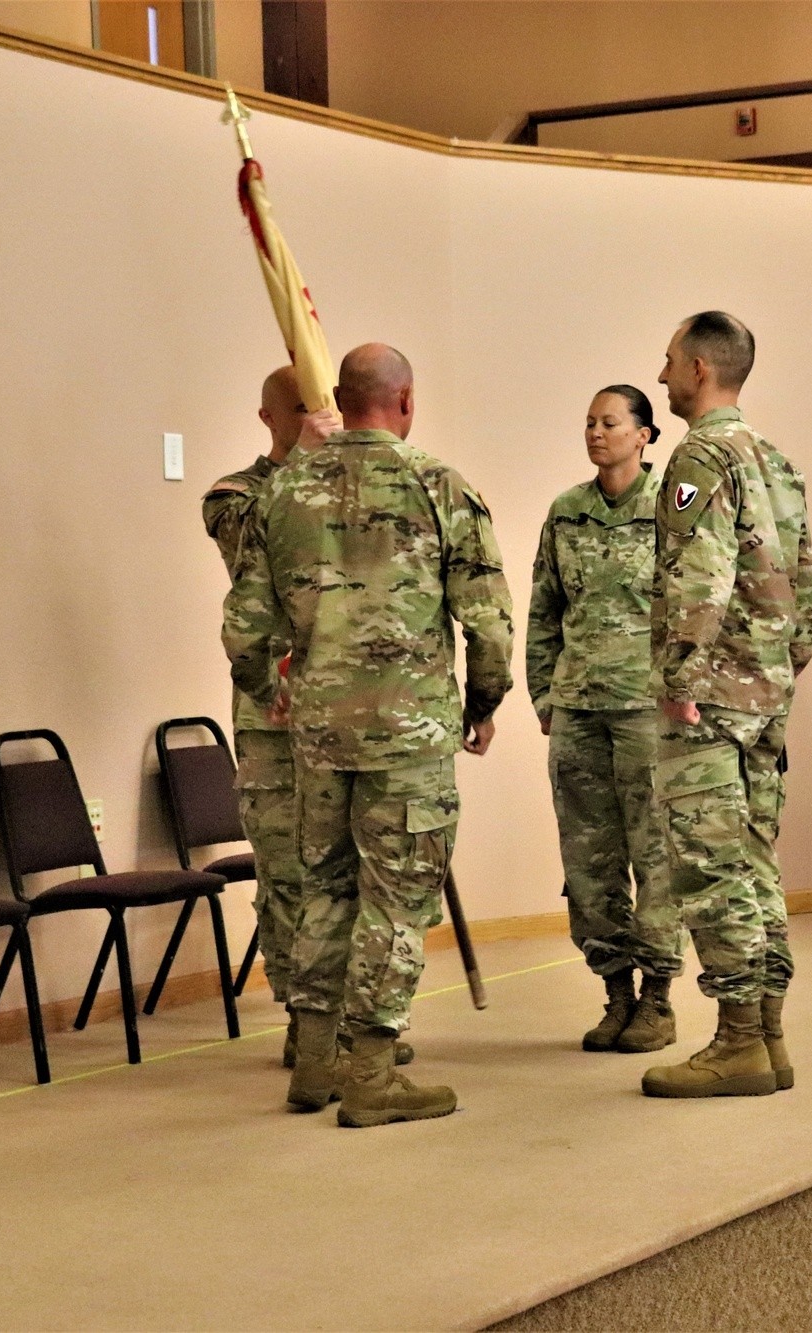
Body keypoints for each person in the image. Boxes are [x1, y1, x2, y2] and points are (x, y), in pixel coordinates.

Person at [224, 343, 512, 1128]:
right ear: (406, 401)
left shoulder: (284, 493)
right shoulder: (440, 486)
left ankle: (312, 1064)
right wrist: (482, 704)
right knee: (395, 899)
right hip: (407, 736)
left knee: (322, 889)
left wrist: (272, 693)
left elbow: (244, 626)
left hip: (316, 735)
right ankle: (373, 1072)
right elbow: (487, 620)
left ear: (340, 402)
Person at [640, 311, 812, 1100]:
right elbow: (804, 588)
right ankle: (770, 1035)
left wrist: (681, 678)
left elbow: (700, 576)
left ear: (703, 369)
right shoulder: (773, 459)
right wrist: (779, 671)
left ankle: (740, 1039)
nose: (661, 371)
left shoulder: (701, 455)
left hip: (710, 697)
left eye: (671, 359)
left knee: (709, 867)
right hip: (764, 692)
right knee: (751, 861)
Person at [527, 385, 683, 1055]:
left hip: (648, 712)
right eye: (589, 421)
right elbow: (543, 611)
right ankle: (615, 990)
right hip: (579, 712)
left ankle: (658, 997)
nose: (596, 432)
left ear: (644, 434)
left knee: (654, 852)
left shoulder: (673, 507)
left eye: (610, 422)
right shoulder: (566, 513)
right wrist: (545, 698)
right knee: (588, 859)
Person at [200, 367, 334, 1069]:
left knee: (351, 871)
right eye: (305, 409)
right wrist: (300, 465)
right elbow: (252, 546)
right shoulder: (235, 493)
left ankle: (358, 1014)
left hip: (347, 709)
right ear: (270, 418)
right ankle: (303, 1016)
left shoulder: (341, 489)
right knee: (288, 872)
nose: (321, 418)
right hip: (274, 718)